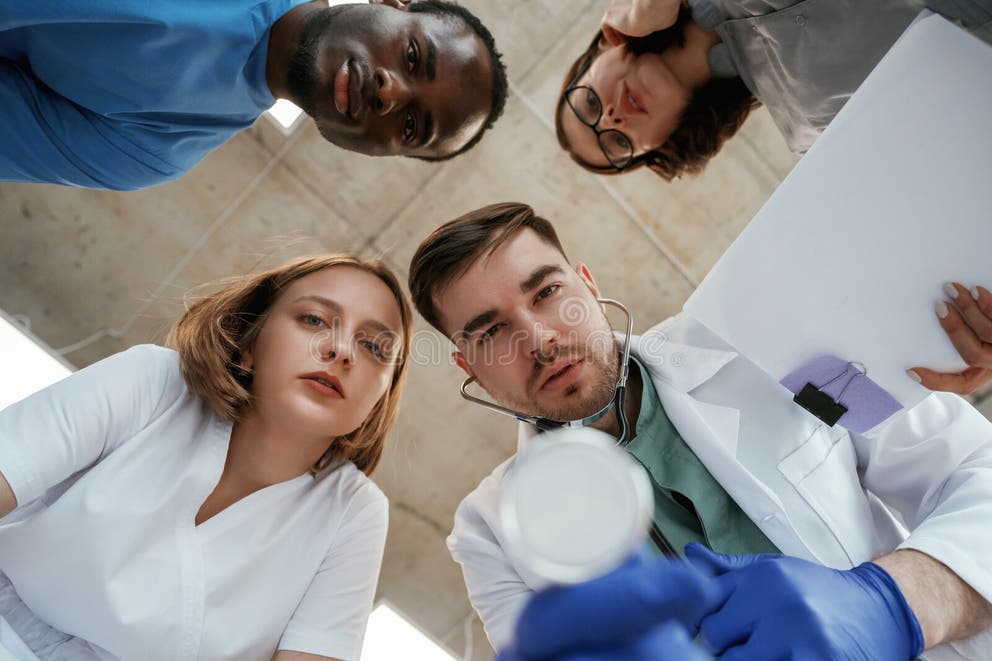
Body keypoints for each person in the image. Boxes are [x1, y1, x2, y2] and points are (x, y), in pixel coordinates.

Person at [407, 202, 992, 658]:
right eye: (489, 333)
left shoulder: (756, 337)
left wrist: (898, 602)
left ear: (588, 284)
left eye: (548, 292)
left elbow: (973, 468)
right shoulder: (491, 532)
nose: (538, 340)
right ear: (468, 368)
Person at [0, 254, 413, 661]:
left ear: (380, 397)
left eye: (375, 347)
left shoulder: (354, 512)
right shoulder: (152, 379)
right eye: (313, 320)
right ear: (248, 342)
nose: (342, 351)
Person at [0, 0, 507, 191]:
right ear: (392, 3)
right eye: (414, 56)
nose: (389, 91)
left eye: (412, 127)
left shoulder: (154, 148)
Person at [554, 0, 991, 178]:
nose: (609, 117)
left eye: (588, 102)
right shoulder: (816, 130)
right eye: (615, 143)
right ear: (661, 146)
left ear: (595, 56)